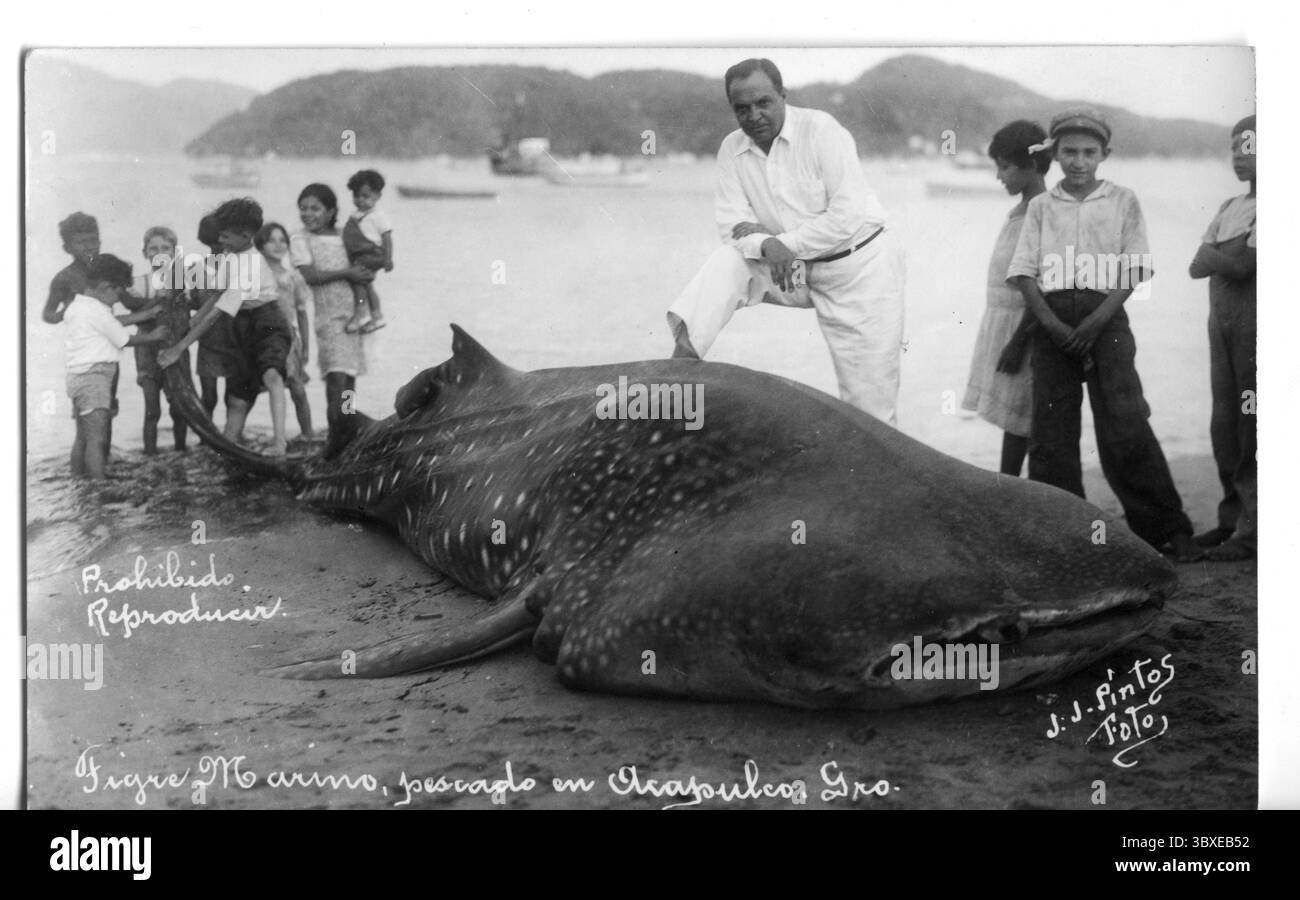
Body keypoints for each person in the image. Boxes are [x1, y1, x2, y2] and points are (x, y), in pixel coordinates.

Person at [666, 58, 906, 424]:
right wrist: (767, 246)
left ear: (783, 95)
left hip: (860, 270)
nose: (754, 116)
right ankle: (677, 372)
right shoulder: (732, 148)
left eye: (764, 103)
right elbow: (731, 224)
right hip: (790, 270)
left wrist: (781, 243)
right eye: (741, 108)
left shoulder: (822, 130)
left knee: (870, 408)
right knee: (728, 263)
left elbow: (848, 215)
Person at [1007, 108, 1200, 561]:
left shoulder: (1123, 201)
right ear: (1054, 154)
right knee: (1052, 433)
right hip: (1050, 321)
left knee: (1125, 423)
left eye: (1089, 152)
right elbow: (1023, 274)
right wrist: (1053, 325)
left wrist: (1095, 322)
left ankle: (1166, 530)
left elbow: (1134, 269)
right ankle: (1060, 533)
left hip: (1107, 319)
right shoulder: (1040, 207)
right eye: (1069, 152)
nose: (1078, 161)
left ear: (1104, 155)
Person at [157, 198, 292, 455]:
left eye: (225, 237)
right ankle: (229, 444)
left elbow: (216, 314)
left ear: (245, 235)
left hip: (268, 323)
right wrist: (193, 320)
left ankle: (279, 443)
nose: (221, 242)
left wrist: (179, 348)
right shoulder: (231, 255)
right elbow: (216, 295)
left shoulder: (248, 264)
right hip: (242, 327)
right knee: (238, 395)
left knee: (271, 375)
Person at [962, 121, 1050, 476]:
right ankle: (1008, 482)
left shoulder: (1044, 212)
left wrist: (1017, 341)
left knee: (1023, 416)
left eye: (1004, 166)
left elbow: (1044, 284)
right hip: (1004, 321)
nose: (999, 176)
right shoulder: (1020, 211)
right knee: (1015, 416)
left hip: (1024, 327)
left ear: (1030, 166)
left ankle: (1011, 485)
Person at [1189, 115, 1256, 561]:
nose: (1238, 155)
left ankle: (1253, 530)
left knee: (1254, 424)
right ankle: (1231, 520)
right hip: (1221, 327)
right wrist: (1221, 255)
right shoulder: (1229, 206)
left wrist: (1218, 254)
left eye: (1248, 146)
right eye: (1233, 147)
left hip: (1256, 329)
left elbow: (1244, 268)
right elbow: (1197, 266)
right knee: (1224, 422)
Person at [63, 254, 168, 479]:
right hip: (95, 378)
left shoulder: (79, 306)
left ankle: (77, 479)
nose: (118, 299)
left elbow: (111, 323)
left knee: (82, 436)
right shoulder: (98, 311)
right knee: (97, 439)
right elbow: (124, 339)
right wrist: (154, 336)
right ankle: (99, 486)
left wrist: (146, 314)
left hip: (77, 378)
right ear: (105, 286)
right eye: (118, 292)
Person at [289, 183, 374, 458]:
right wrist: (348, 273)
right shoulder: (300, 239)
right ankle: (336, 439)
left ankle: (346, 434)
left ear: (331, 211)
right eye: (303, 208)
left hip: (353, 314)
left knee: (348, 378)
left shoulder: (343, 234)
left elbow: (365, 260)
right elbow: (310, 276)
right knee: (335, 378)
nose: (308, 214)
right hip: (328, 317)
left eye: (315, 208)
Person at [129, 226, 190, 454]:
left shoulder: (183, 281)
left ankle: (181, 451)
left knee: (180, 408)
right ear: (145, 253)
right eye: (153, 248)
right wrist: (156, 301)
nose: (159, 252)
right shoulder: (138, 284)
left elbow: (192, 310)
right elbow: (133, 312)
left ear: (175, 252)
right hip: (147, 352)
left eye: (166, 248)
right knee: (151, 409)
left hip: (176, 349)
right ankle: (150, 455)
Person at [256, 221, 315, 439]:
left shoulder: (293, 277)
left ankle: (308, 434)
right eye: (271, 240)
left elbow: (301, 313)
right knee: (256, 389)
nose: (278, 245)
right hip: (263, 335)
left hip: (290, 337)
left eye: (282, 240)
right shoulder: (256, 275)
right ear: (261, 245)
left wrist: (306, 347)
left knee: (298, 389)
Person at [193, 213, 241, 424]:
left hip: (233, 340)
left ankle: (229, 435)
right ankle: (208, 437)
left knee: (231, 396)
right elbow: (194, 301)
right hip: (209, 339)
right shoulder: (198, 269)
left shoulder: (237, 266)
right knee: (210, 397)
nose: (219, 247)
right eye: (214, 242)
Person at [342, 169, 393, 334]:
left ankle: (362, 313)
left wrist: (388, 258)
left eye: (365, 196)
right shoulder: (357, 214)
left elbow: (387, 237)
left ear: (377, 196)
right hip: (363, 254)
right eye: (356, 196)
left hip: (372, 255)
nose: (360, 200)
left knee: (357, 279)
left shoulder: (378, 216)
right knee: (366, 283)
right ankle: (377, 316)